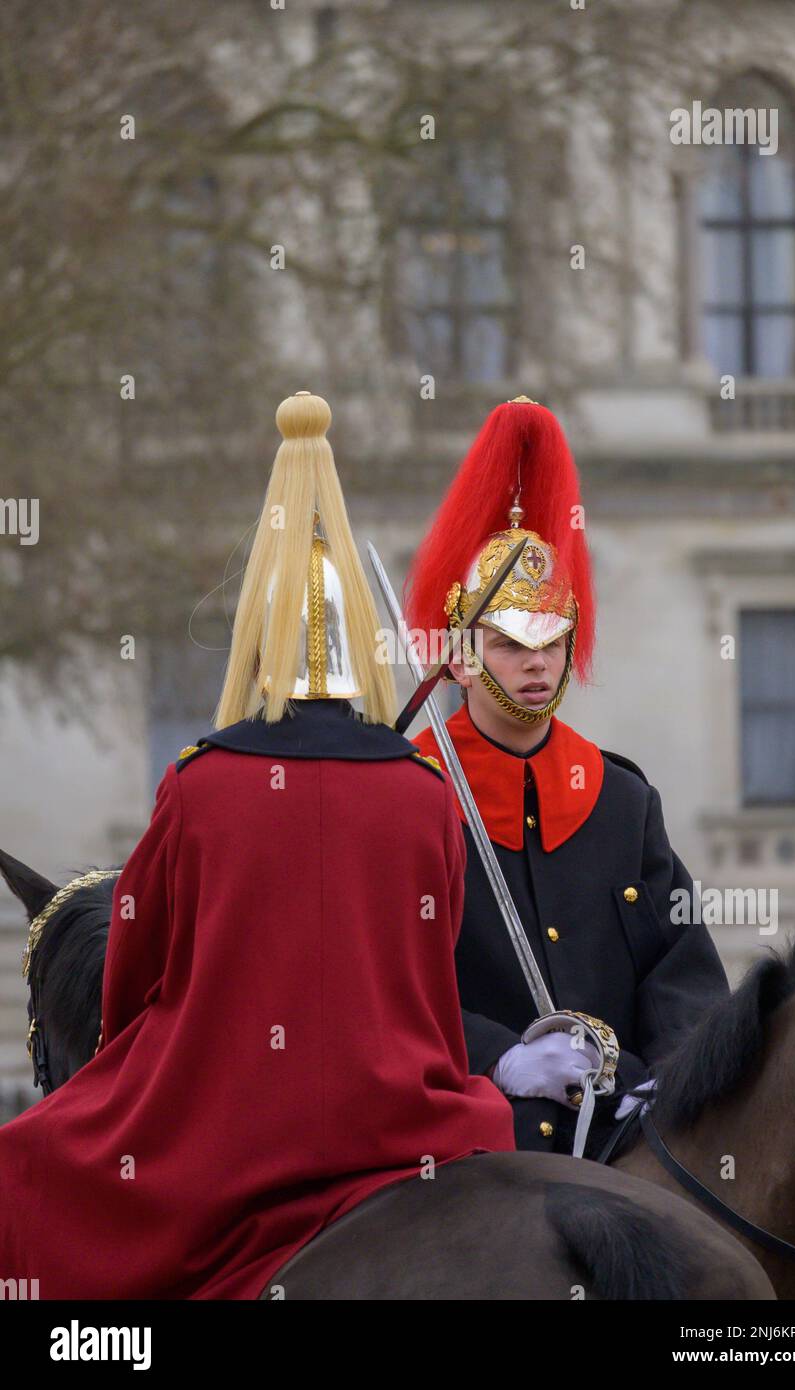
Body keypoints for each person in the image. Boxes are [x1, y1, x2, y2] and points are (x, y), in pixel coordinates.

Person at [0, 390, 515, 1300]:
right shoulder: (424, 792)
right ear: (359, 644)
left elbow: (132, 976)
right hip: (405, 1122)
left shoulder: (198, 785)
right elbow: (431, 969)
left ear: (261, 644)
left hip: (227, 1128)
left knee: (19, 1165)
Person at [403, 395, 729, 1159]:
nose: (536, 662)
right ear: (459, 654)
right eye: (511, 642)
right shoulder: (410, 794)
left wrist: (669, 1077)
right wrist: (496, 1056)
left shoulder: (619, 799)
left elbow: (679, 963)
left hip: (622, 1140)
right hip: (469, 1145)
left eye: (552, 639)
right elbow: (383, 981)